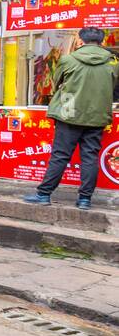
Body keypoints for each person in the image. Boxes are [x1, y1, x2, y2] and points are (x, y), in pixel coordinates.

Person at [23, 28, 118, 211]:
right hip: (96, 116)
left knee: (60, 156)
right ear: (101, 42)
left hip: (68, 114)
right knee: (90, 157)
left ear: (80, 40)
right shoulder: (112, 62)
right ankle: (84, 200)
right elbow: (111, 86)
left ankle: (43, 194)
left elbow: (56, 83)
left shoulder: (68, 59)